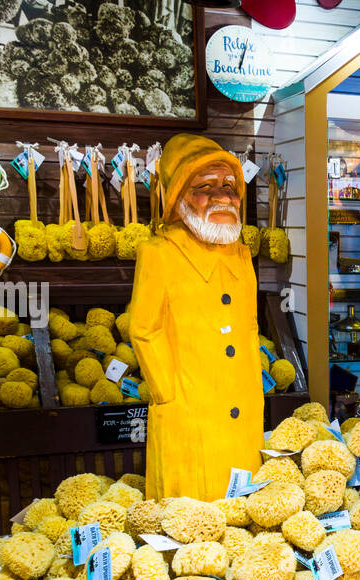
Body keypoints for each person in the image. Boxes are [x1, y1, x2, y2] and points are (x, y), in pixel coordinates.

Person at [129, 134, 262, 501]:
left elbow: (250, 325)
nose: (222, 197)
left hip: (244, 411)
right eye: (205, 187)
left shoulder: (242, 256)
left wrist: (252, 384)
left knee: (243, 508)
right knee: (188, 509)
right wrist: (169, 394)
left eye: (230, 187)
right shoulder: (159, 253)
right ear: (178, 196)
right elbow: (143, 329)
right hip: (188, 412)